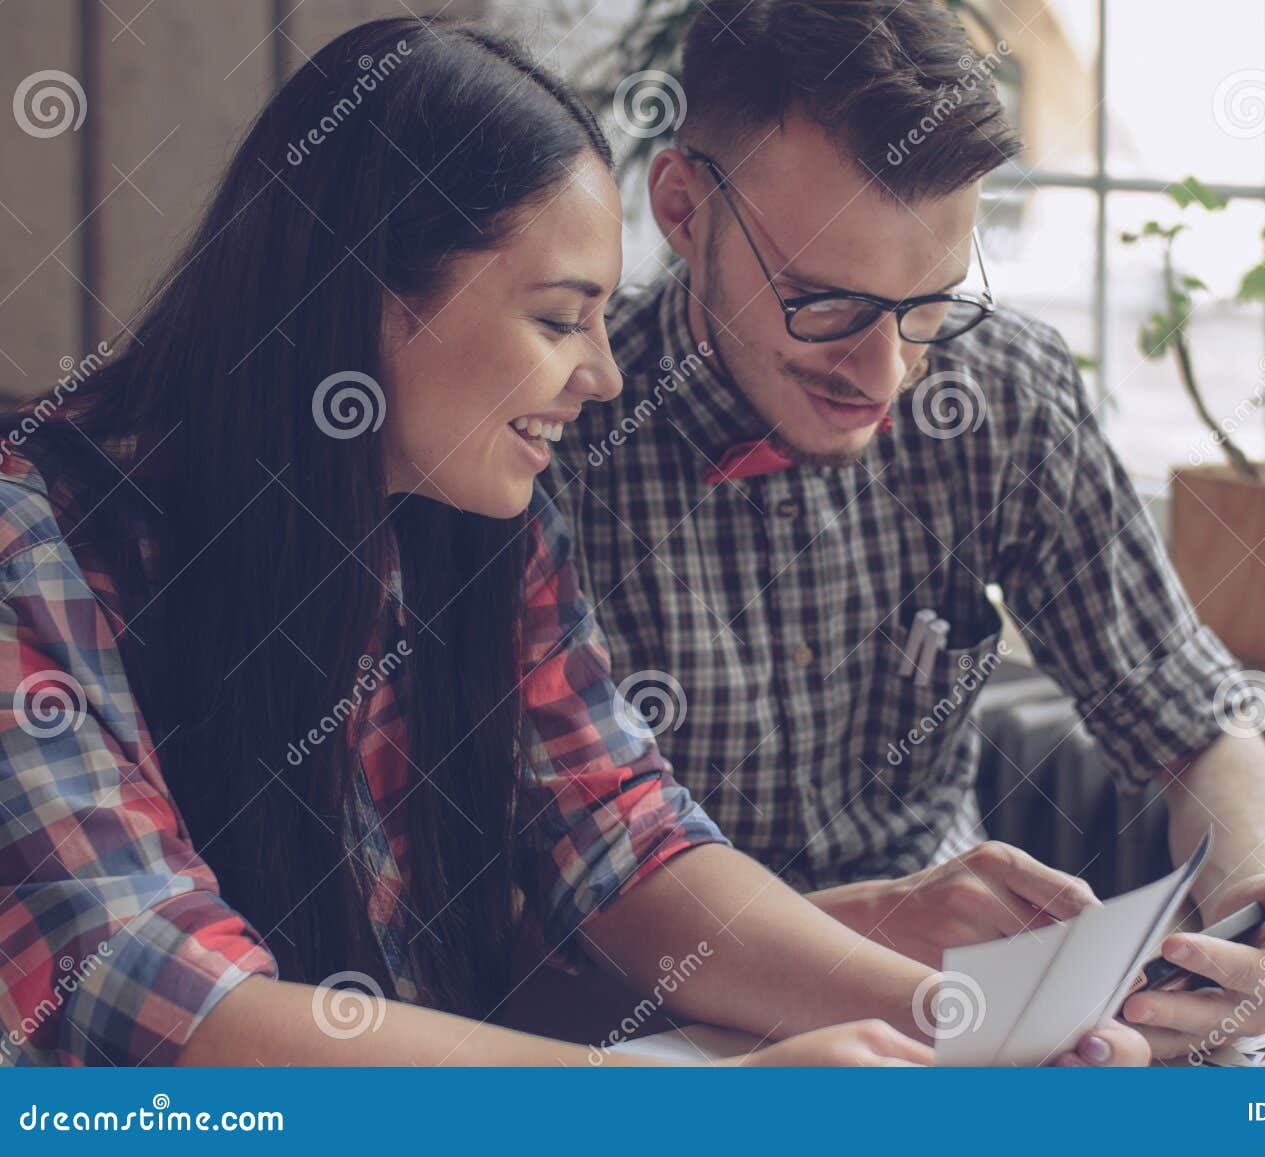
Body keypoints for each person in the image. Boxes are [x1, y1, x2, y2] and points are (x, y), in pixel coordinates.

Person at [0, 17, 1145, 1068]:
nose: (598, 375)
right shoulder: (32, 539)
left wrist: (973, 1030)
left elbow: (626, 837)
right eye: (557, 319)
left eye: (602, 317)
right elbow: (164, 1003)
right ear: (362, 298)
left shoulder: (479, 508)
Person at [550, 0, 1265, 1061]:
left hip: (971, 1023)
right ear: (684, 210)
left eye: (929, 302)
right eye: (822, 303)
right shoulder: (545, 438)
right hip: (652, 1045)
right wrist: (852, 928)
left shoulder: (998, 390)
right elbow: (517, 937)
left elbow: (1196, 727)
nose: (885, 375)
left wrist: (1254, 914)